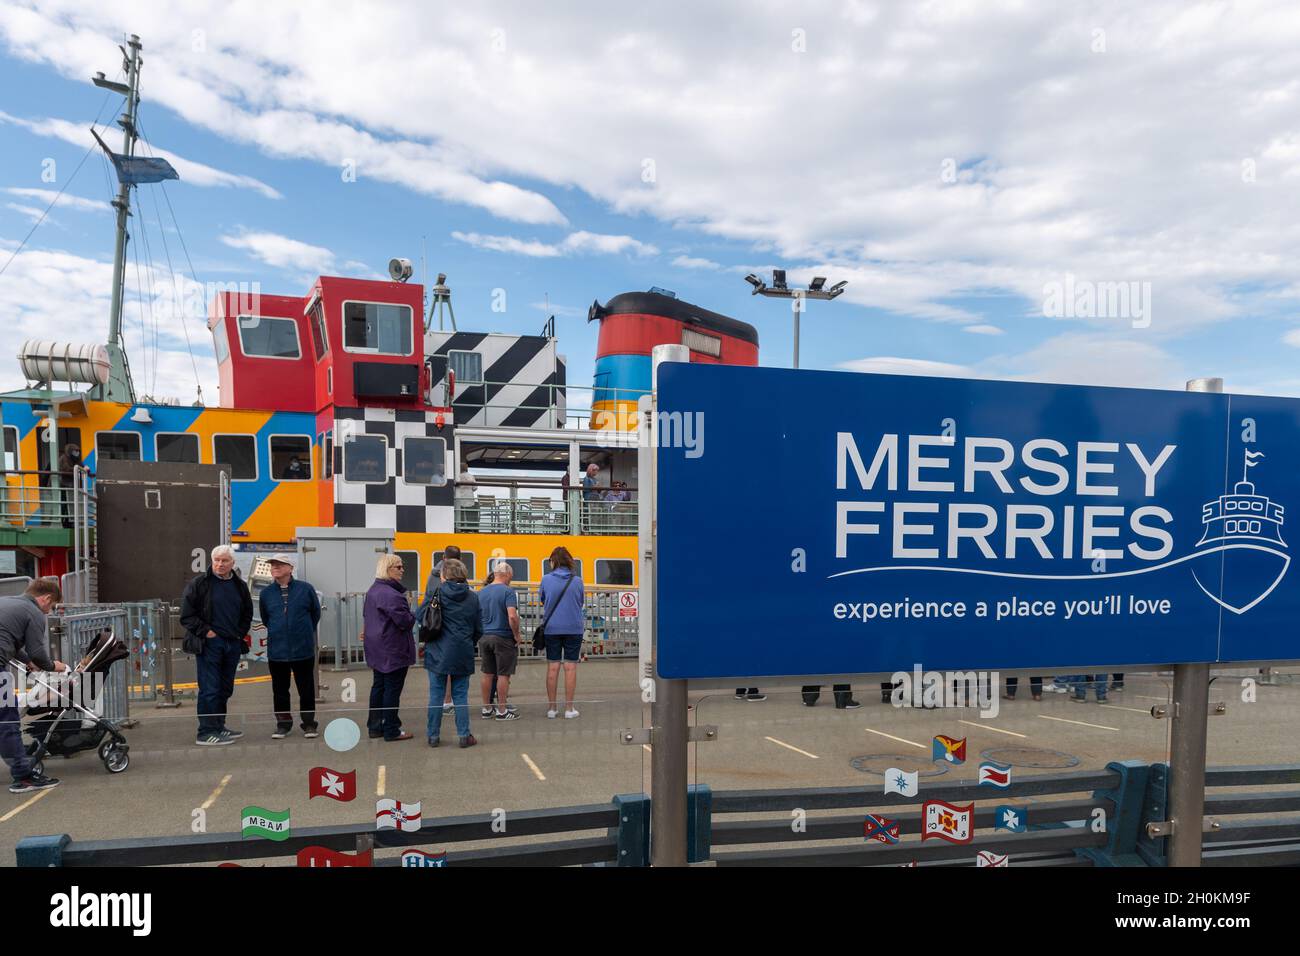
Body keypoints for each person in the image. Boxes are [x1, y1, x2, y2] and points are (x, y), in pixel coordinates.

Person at [182, 544, 253, 746]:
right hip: (209, 644)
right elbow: (187, 616)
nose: (220, 564)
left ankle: (219, 726)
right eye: (217, 560)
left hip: (232, 643)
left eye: (225, 561)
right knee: (209, 689)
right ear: (212, 561)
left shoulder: (239, 585)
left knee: (224, 688)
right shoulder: (199, 584)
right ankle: (205, 732)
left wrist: (239, 633)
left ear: (232, 563)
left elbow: (247, 612)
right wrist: (207, 632)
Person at [0, 580, 67, 792]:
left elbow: (10, 638)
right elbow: (38, 652)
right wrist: (53, 666)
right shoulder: (34, 612)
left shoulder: (7, 603)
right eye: (52, 606)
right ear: (46, 598)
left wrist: (28, 661)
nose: (49, 611)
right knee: (7, 721)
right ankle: (24, 777)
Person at [259, 553, 321, 739]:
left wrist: (301, 631)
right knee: (279, 690)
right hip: (277, 651)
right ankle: (283, 724)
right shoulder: (266, 593)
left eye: (279, 564)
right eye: (273, 565)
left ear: (290, 568)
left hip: (302, 648)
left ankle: (309, 723)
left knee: (306, 689)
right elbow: (266, 618)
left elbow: (315, 614)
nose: (275, 567)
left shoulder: (305, 589)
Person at [424, 558, 481, 748]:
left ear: (444, 575)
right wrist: (468, 642)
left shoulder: (435, 593)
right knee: (460, 695)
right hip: (462, 651)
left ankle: (433, 736)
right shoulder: (473, 597)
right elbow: (478, 628)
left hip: (437, 651)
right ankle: (464, 735)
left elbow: (420, 616)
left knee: (436, 695)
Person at [362, 554, 416, 742]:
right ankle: (391, 729)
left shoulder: (373, 591)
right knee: (392, 689)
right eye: (398, 567)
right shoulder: (392, 595)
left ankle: (375, 726)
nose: (402, 570)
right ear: (388, 569)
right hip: (393, 648)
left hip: (377, 647)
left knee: (379, 686)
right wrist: (411, 611)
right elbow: (405, 622)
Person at [538, 546, 585, 718]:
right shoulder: (577, 581)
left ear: (553, 561)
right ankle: (569, 709)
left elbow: (543, 600)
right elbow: (580, 602)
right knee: (570, 667)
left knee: (553, 666)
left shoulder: (545, 579)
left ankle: (552, 708)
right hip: (573, 627)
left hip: (552, 628)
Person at [417, 545, 461, 714]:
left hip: (434, 625)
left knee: (436, 669)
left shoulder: (432, 575)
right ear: (459, 559)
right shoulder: (457, 577)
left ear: (443, 557)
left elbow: (427, 602)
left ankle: (439, 707)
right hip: (451, 626)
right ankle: (448, 701)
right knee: (450, 666)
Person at [478, 563, 521, 720]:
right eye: (511, 575)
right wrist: (516, 634)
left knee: (487, 673)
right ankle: (502, 711)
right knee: (504, 674)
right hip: (502, 636)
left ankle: (486, 708)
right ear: (507, 574)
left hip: (484, 636)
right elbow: (512, 616)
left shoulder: (481, 592)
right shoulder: (508, 591)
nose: (511, 578)